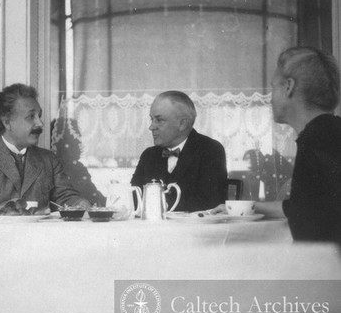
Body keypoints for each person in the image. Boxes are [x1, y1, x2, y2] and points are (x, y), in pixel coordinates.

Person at [213, 46, 341, 243]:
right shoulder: (326, 132)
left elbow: (318, 232)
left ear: (289, 87)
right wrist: (251, 206)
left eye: (273, 87)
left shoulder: (317, 141)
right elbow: (306, 206)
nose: (270, 98)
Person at [0, 83, 91, 218]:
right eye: (31, 117)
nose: (40, 123)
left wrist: (79, 203)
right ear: (7, 122)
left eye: (39, 116)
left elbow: (65, 197)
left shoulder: (48, 160)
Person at [131, 90, 227, 212]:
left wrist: (157, 205)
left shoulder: (210, 150)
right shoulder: (149, 155)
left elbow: (211, 202)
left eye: (159, 120)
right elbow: (134, 197)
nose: (151, 127)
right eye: (152, 119)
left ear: (182, 124)